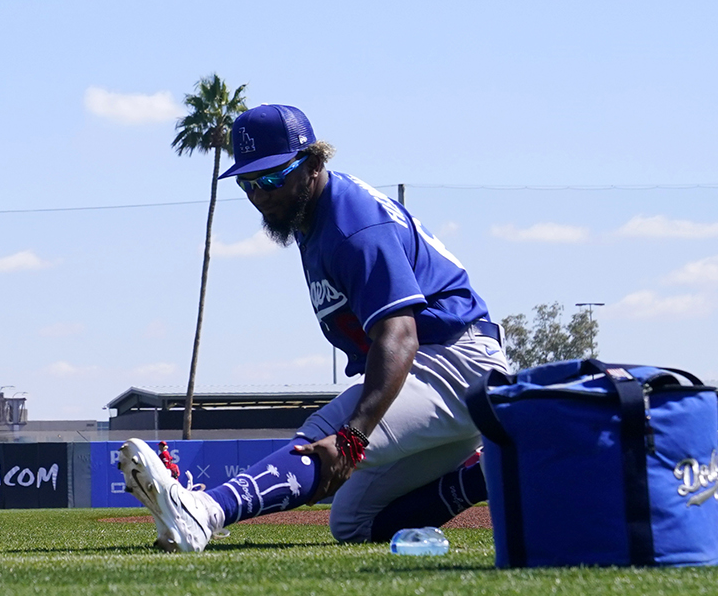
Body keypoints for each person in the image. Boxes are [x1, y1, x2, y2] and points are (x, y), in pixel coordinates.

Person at [117, 104, 507, 549]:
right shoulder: (312, 215)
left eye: (272, 177)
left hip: (458, 361)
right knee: (354, 522)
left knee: (329, 437)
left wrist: (355, 434)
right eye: (248, 183)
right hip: (446, 369)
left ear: (315, 163)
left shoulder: (353, 224)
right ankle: (487, 472)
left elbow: (399, 334)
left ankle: (204, 512)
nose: (260, 194)